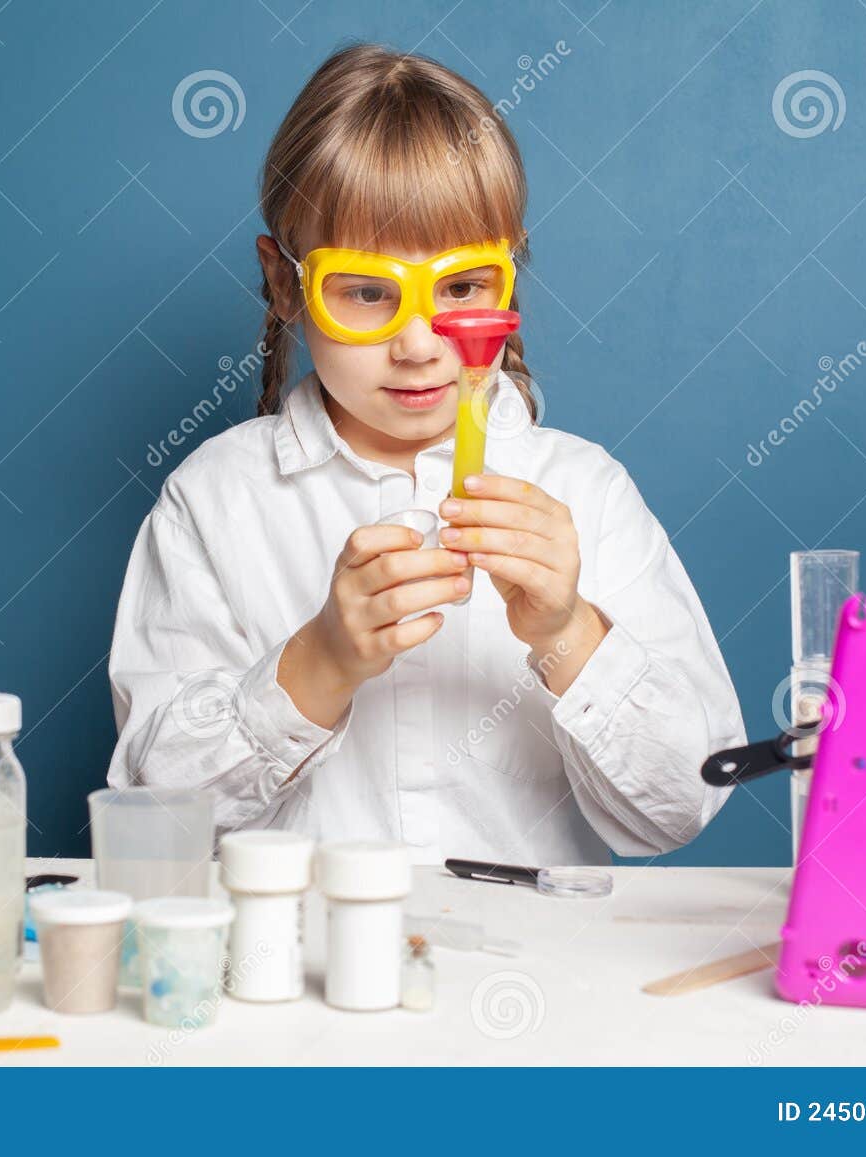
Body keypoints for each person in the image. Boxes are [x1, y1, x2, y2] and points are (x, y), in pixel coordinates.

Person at [106, 44, 743, 865]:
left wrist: (568, 630)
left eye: (461, 288)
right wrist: (320, 662)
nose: (418, 345)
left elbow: (684, 802)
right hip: (293, 975)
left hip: (535, 972)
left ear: (505, 274)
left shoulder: (585, 493)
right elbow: (156, 819)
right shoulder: (216, 500)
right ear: (286, 284)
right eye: (368, 292)